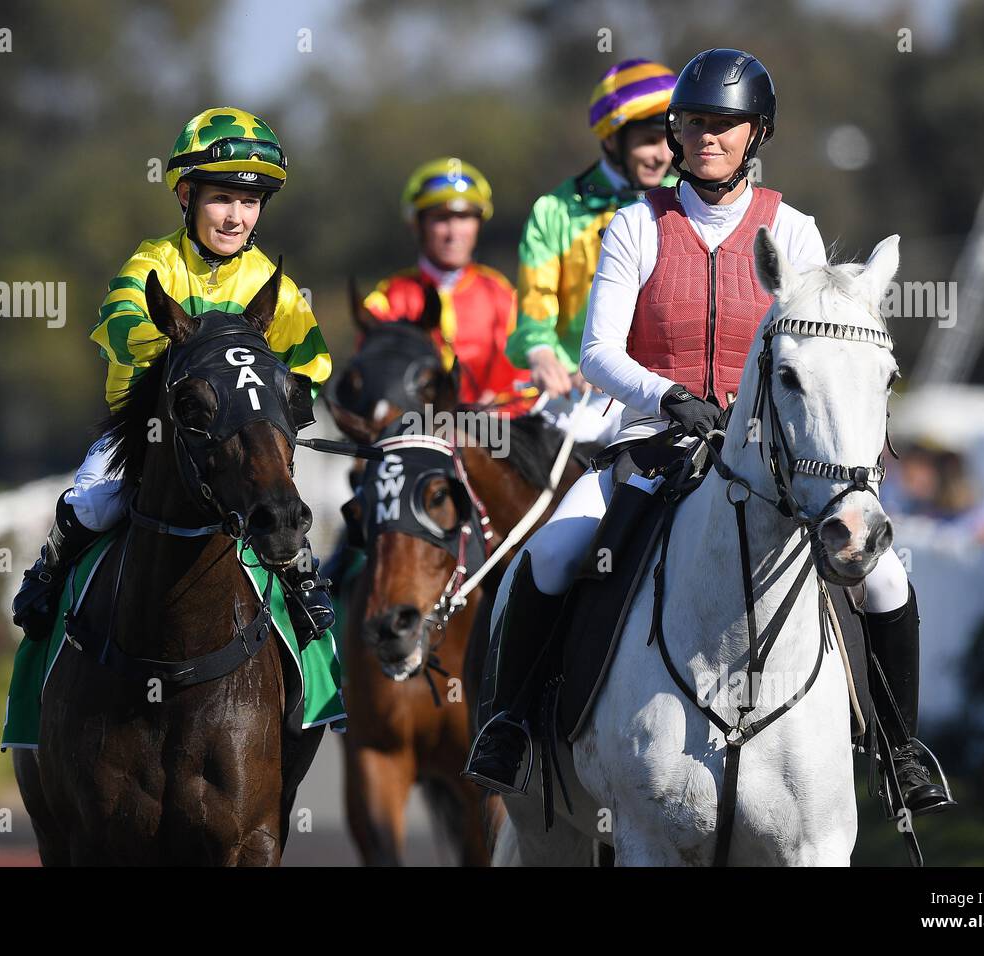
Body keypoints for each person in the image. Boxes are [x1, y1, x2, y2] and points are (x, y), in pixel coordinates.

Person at [465, 50, 954, 818]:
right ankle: (513, 725)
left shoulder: (795, 231)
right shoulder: (636, 226)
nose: (707, 138)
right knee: (556, 551)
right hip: (653, 441)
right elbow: (597, 352)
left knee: (886, 576)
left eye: (724, 124)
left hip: (773, 460)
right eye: (694, 123)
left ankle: (899, 753)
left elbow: (820, 352)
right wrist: (670, 397)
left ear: (756, 132)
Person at [11, 107, 336, 649]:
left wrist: (278, 410)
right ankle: (48, 573)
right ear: (186, 197)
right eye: (222, 198)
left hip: (240, 448)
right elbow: (120, 328)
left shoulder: (277, 288)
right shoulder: (151, 263)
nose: (236, 217)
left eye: (250, 202)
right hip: (146, 440)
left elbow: (310, 370)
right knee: (95, 499)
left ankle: (308, 607)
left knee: (283, 513)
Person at [507, 58, 679, 443]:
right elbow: (536, 305)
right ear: (611, 139)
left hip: (667, 394)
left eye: (669, 141)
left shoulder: (689, 203)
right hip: (579, 398)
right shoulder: (554, 211)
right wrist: (541, 355)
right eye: (649, 140)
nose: (662, 155)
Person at [362, 157, 530, 411]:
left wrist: (499, 408)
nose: (454, 233)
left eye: (464, 218)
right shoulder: (387, 300)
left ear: (479, 224)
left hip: (489, 440)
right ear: (417, 224)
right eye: (441, 219)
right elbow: (374, 384)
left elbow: (523, 381)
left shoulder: (503, 296)